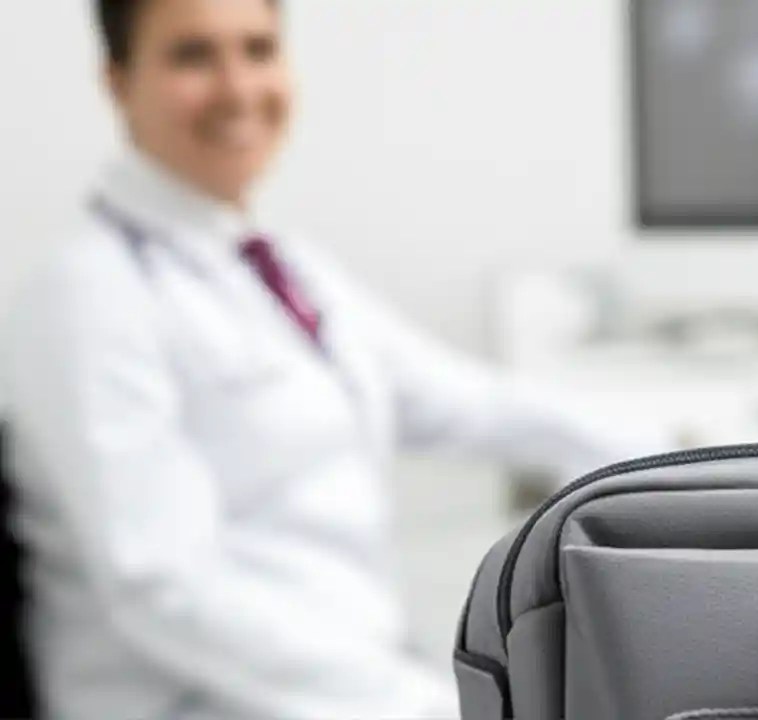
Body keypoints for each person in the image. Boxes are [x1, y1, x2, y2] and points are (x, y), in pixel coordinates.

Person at [0, 1, 648, 718]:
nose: (238, 87)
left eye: (258, 50)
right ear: (119, 82)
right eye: (193, 56)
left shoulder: (281, 270)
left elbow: (473, 404)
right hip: (211, 703)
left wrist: (665, 459)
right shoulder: (88, 298)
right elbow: (163, 588)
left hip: (340, 683)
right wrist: (416, 705)